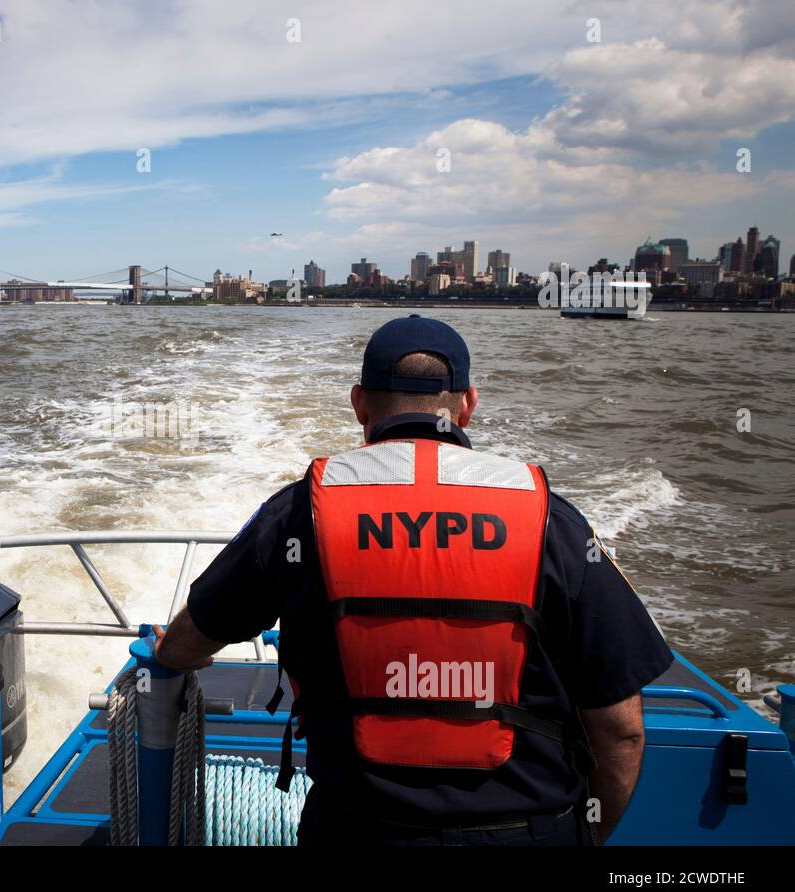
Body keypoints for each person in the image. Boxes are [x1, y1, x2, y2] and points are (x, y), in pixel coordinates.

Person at [153, 314, 673, 846]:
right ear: (468, 403)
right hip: (527, 832)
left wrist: (172, 656)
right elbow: (622, 731)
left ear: (360, 403)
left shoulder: (301, 513)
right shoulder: (549, 521)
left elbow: (192, 637)